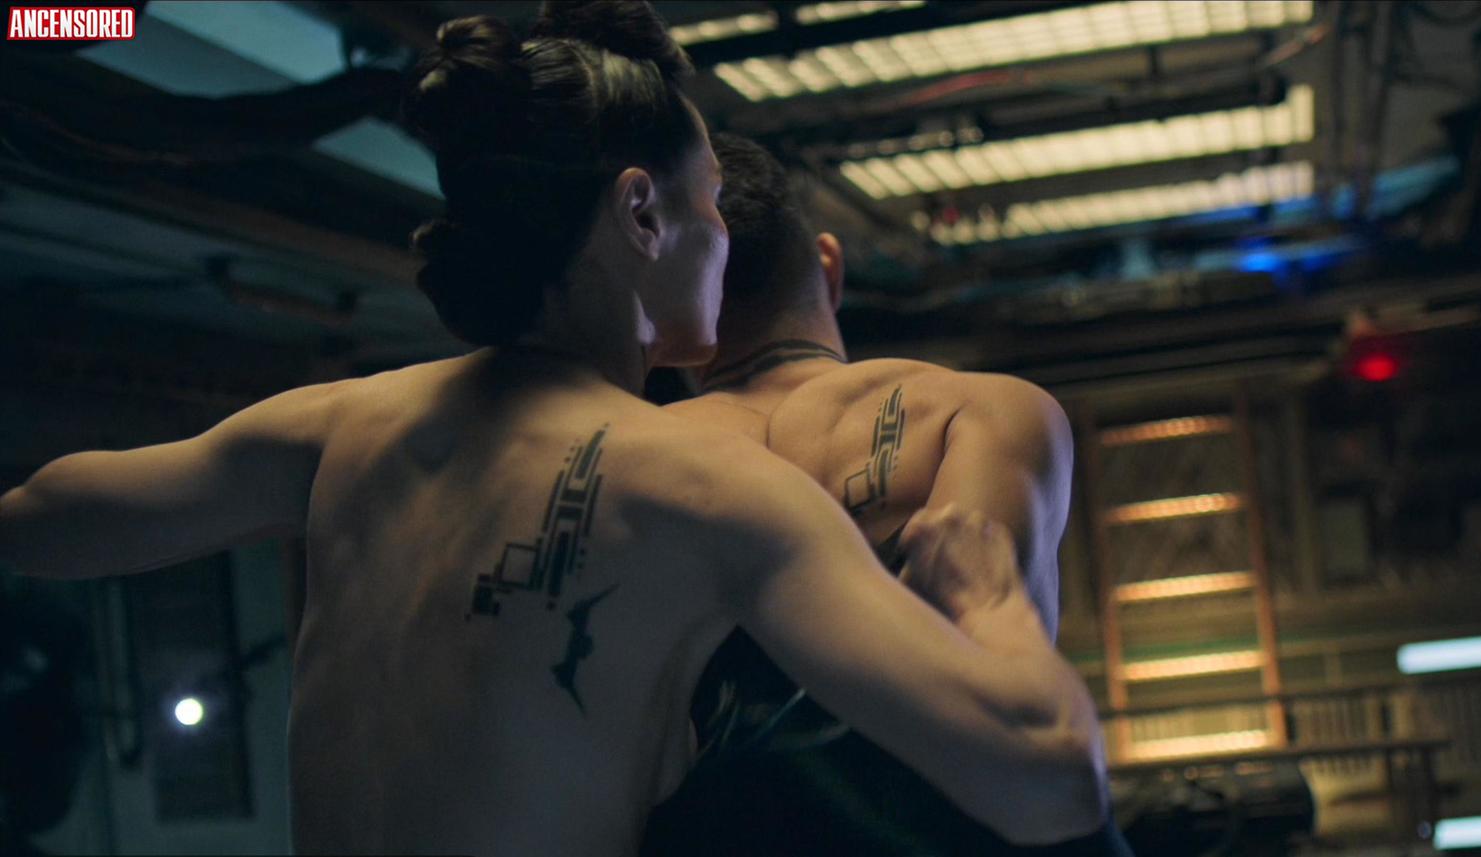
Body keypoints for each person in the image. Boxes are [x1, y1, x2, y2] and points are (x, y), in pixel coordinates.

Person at [0, 4, 1106, 856]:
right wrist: (989, 600)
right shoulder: (705, 483)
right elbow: (1045, 778)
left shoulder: (343, 421)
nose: (724, 233)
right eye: (710, 201)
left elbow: (40, 516)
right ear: (641, 213)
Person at [645, 135, 1129, 855]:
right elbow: (993, 699)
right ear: (829, 267)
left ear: (666, 325)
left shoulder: (632, 462)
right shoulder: (983, 413)